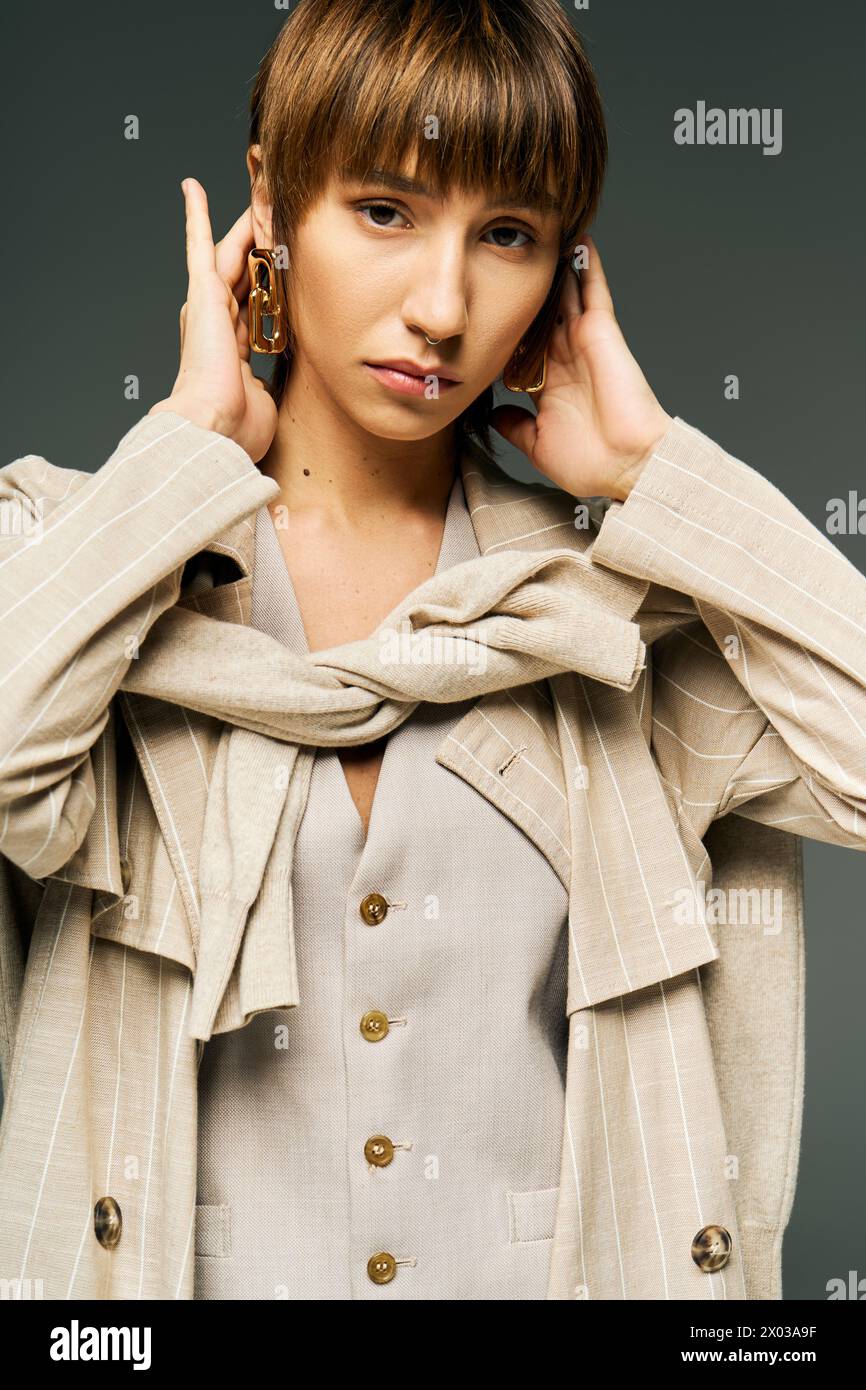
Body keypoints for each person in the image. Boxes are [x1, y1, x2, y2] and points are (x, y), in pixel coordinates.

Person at [0, 0, 864, 1301]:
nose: (445, 306)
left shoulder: (605, 617)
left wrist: (651, 472)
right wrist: (177, 451)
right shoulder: (88, 564)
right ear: (270, 201)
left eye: (505, 234)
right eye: (386, 210)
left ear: (564, 272)